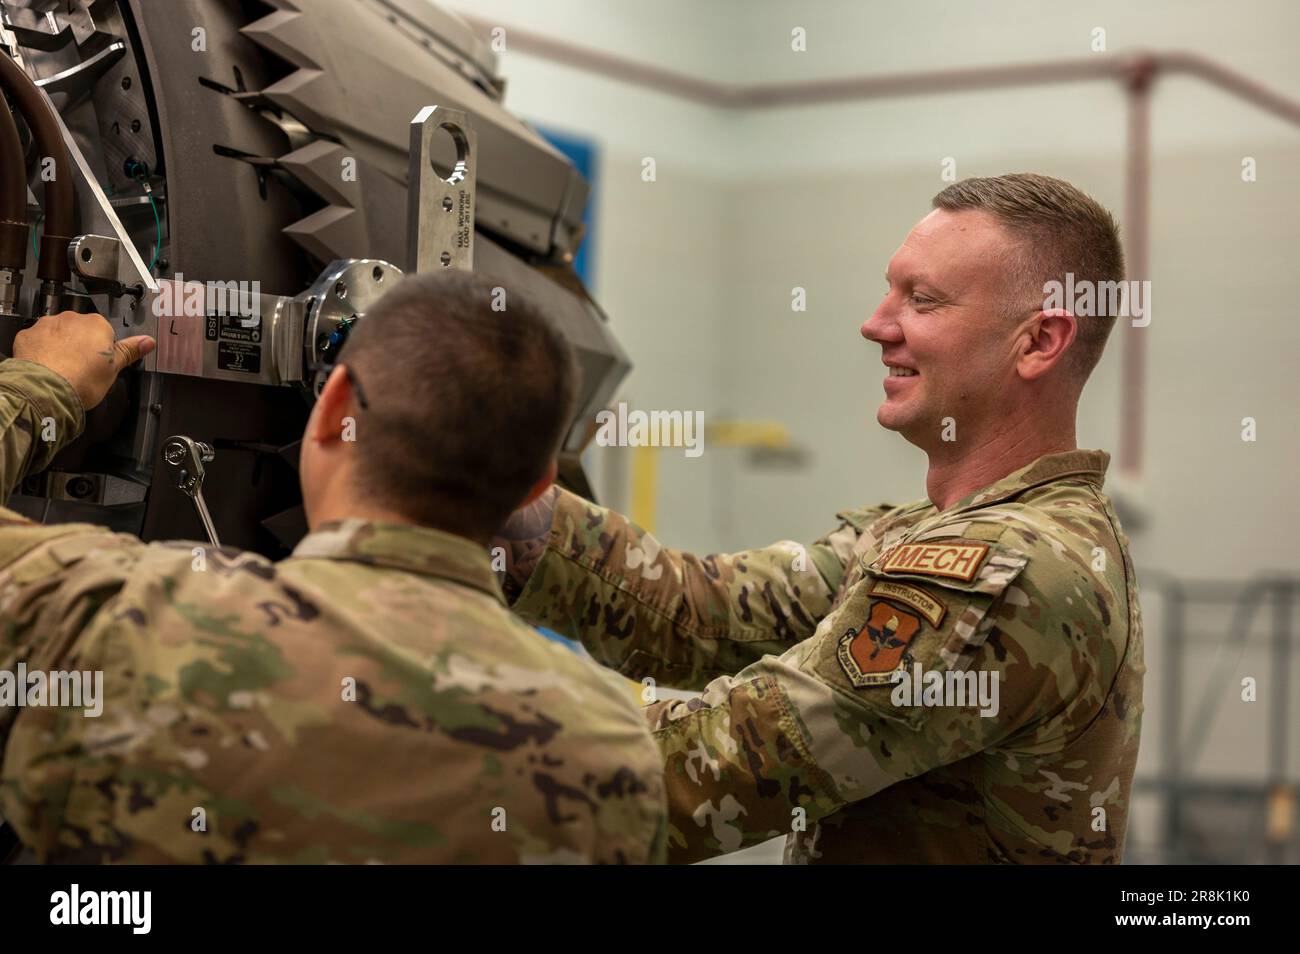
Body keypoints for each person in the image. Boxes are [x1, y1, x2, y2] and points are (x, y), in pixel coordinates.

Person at [497, 173, 1145, 864]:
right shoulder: (919, 533)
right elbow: (700, 615)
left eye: (922, 300)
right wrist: (486, 499)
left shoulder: (1012, 571)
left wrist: (432, 741)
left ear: (1039, 341)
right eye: (891, 290)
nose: (876, 325)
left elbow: (741, 758)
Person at [0, 270, 666, 864]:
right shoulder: (610, 759)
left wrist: (42, 389)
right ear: (538, 490)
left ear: (336, 407)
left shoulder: (117, 618)